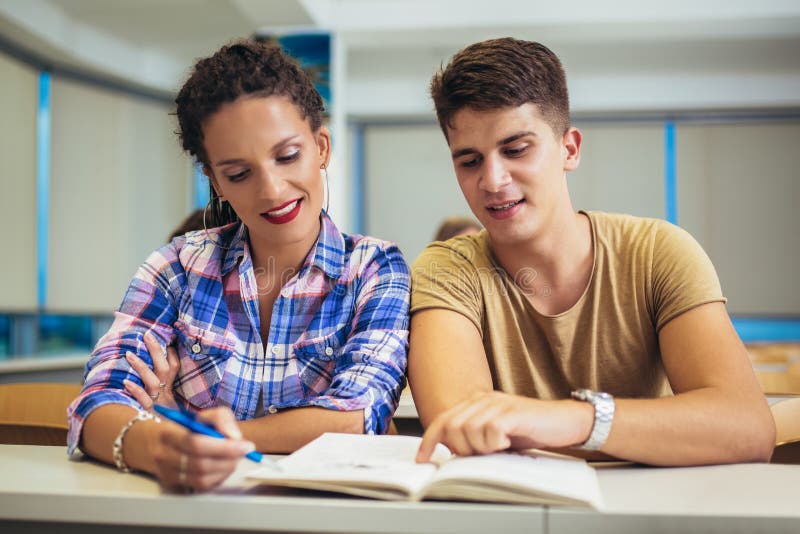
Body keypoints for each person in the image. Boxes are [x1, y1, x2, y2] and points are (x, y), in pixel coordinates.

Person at [410, 38, 774, 466]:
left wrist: (578, 419)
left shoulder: (658, 253)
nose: (492, 180)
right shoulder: (444, 268)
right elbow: (463, 429)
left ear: (570, 149)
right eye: (469, 161)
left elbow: (746, 426)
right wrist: (650, 430)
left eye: (516, 149)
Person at [67, 40, 410, 492]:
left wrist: (201, 437)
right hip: (190, 513)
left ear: (321, 147)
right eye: (238, 173)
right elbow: (96, 403)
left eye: (287, 156)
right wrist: (160, 448)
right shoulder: (176, 268)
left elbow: (357, 415)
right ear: (214, 180)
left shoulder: (375, 268)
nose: (271, 190)